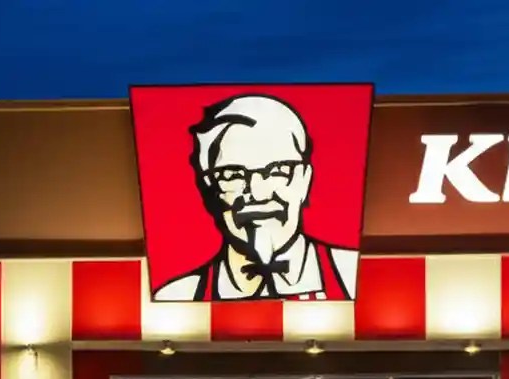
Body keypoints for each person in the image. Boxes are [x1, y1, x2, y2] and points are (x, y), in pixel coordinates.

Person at [153, 94, 359, 302]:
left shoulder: (352, 276)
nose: (259, 194)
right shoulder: (178, 297)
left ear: (305, 180)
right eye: (232, 174)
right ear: (208, 188)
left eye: (278, 170)